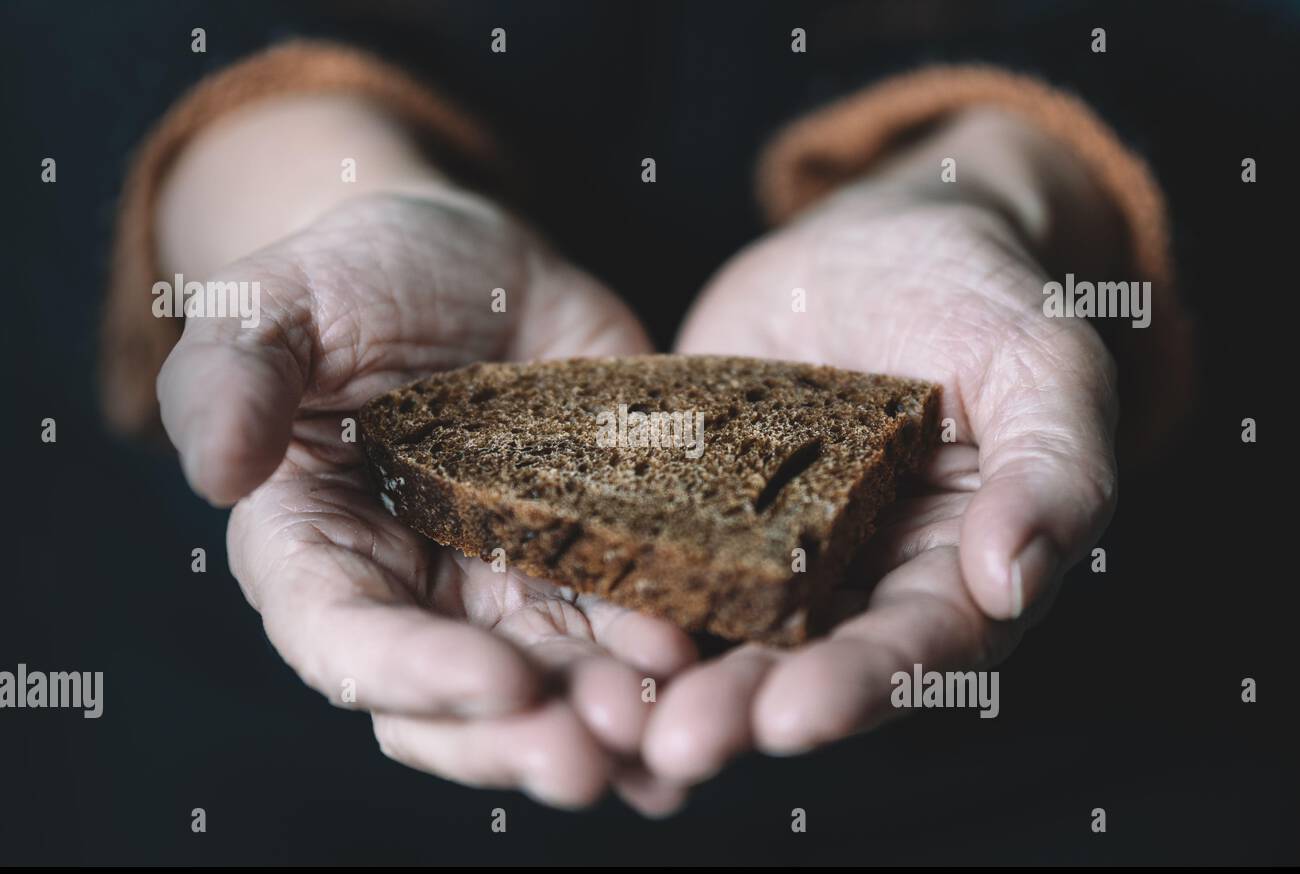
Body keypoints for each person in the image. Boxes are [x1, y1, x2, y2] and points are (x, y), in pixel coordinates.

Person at [100, 40, 1192, 816]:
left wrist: (1008, 184)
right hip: (255, 773)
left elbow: (1194, 33)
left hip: (1055, 772)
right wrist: (292, 203)